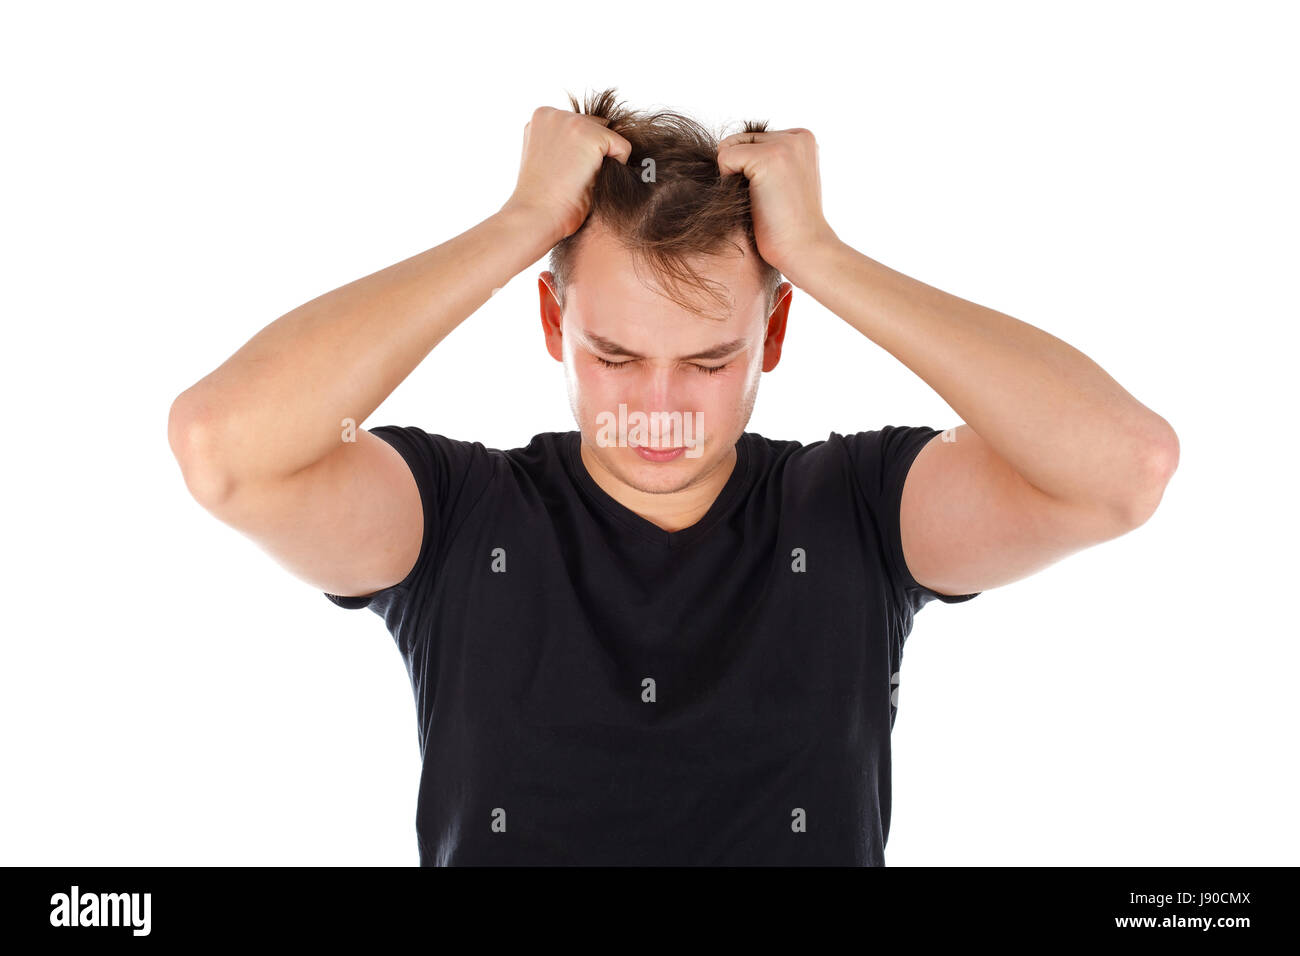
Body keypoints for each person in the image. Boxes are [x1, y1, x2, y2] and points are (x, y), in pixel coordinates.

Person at [167, 88, 1179, 865]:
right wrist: (520, 222)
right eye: (615, 355)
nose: (659, 404)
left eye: (708, 361)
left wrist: (819, 253)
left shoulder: (860, 509)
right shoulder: (457, 518)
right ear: (553, 322)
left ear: (772, 333)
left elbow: (1122, 468)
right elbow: (223, 447)